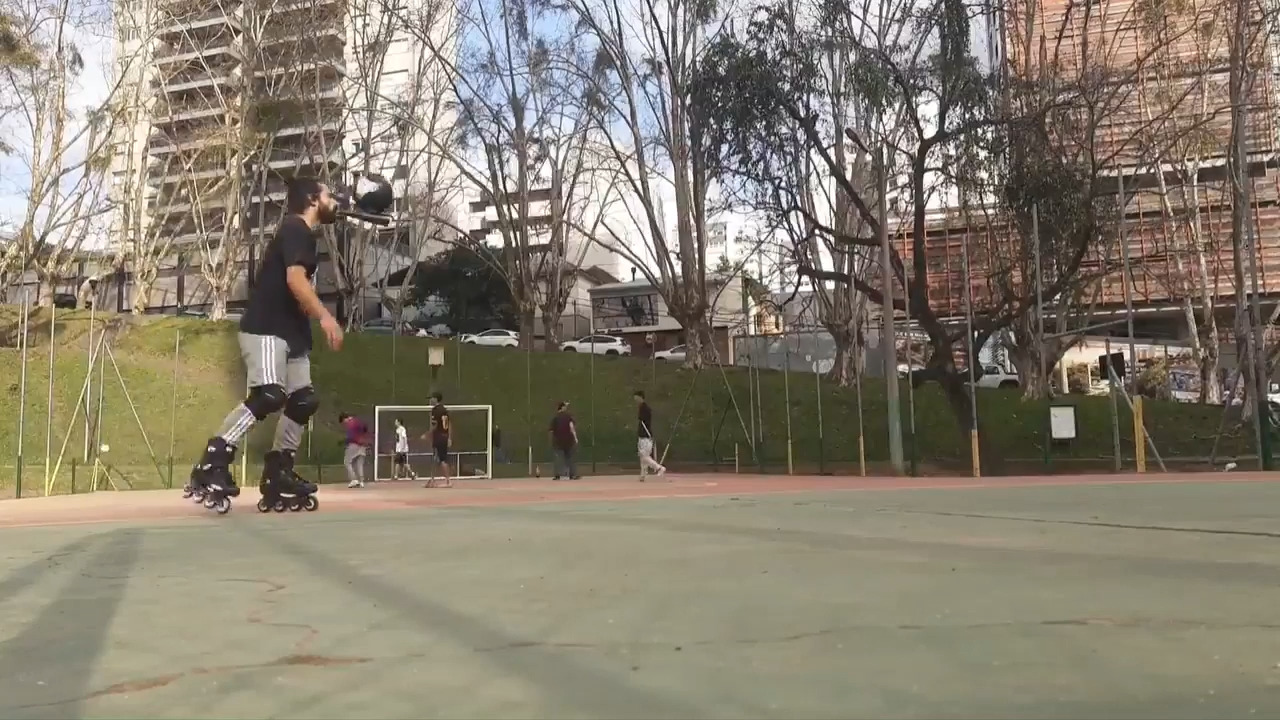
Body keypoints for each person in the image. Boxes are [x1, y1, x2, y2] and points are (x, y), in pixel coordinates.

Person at [184, 176, 344, 510]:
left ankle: (278, 471)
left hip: (293, 333)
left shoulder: (304, 235)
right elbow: (295, 280)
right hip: (268, 328)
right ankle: (213, 459)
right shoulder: (296, 229)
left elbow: (297, 291)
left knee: (304, 400)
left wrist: (310, 313)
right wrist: (326, 317)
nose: (334, 200)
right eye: (329, 194)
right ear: (314, 199)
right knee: (270, 395)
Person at [634, 390, 666, 481]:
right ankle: (643, 475)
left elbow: (644, 421)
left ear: (640, 397)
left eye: (636, 397)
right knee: (642, 456)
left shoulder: (645, 408)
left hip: (646, 436)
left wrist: (646, 432)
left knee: (644, 456)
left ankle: (659, 468)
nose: (635, 399)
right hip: (642, 436)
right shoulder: (641, 407)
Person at [422, 391, 452, 488]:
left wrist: (427, 434)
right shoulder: (444, 410)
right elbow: (449, 424)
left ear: (436, 399)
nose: (430, 400)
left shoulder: (436, 410)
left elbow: (434, 425)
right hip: (444, 436)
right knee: (435, 458)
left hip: (439, 436)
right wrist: (449, 437)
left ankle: (448, 481)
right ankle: (432, 480)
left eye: (431, 398)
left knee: (442, 459)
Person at [549, 401, 580, 481]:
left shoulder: (555, 418)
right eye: (565, 406)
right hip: (569, 441)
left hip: (558, 441)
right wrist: (575, 438)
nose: (566, 408)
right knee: (570, 458)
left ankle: (557, 475)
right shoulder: (568, 416)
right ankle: (572, 475)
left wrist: (553, 440)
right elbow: (571, 427)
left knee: (558, 458)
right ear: (562, 407)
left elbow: (551, 431)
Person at [338, 412, 371, 488]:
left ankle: (353, 479)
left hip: (354, 444)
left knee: (347, 461)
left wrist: (343, 441)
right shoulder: (358, 421)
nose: (344, 424)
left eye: (343, 422)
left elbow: (351, 436)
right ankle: (361, 481)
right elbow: (365, 428)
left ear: (344, 419)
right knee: (359, 463)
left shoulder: (350, 423)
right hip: (363, 444)